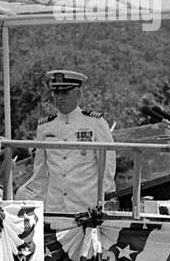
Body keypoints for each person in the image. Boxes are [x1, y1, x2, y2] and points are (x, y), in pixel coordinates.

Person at [17, 69, 116, 214]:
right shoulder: (45, 127)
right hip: (56, 206)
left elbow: (107, 165)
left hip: (87, 206)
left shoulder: (96, 123)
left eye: (65, 93)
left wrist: (108, 196)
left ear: (77, 95)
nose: (60, 98)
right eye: (56, 93)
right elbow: (40, 170)